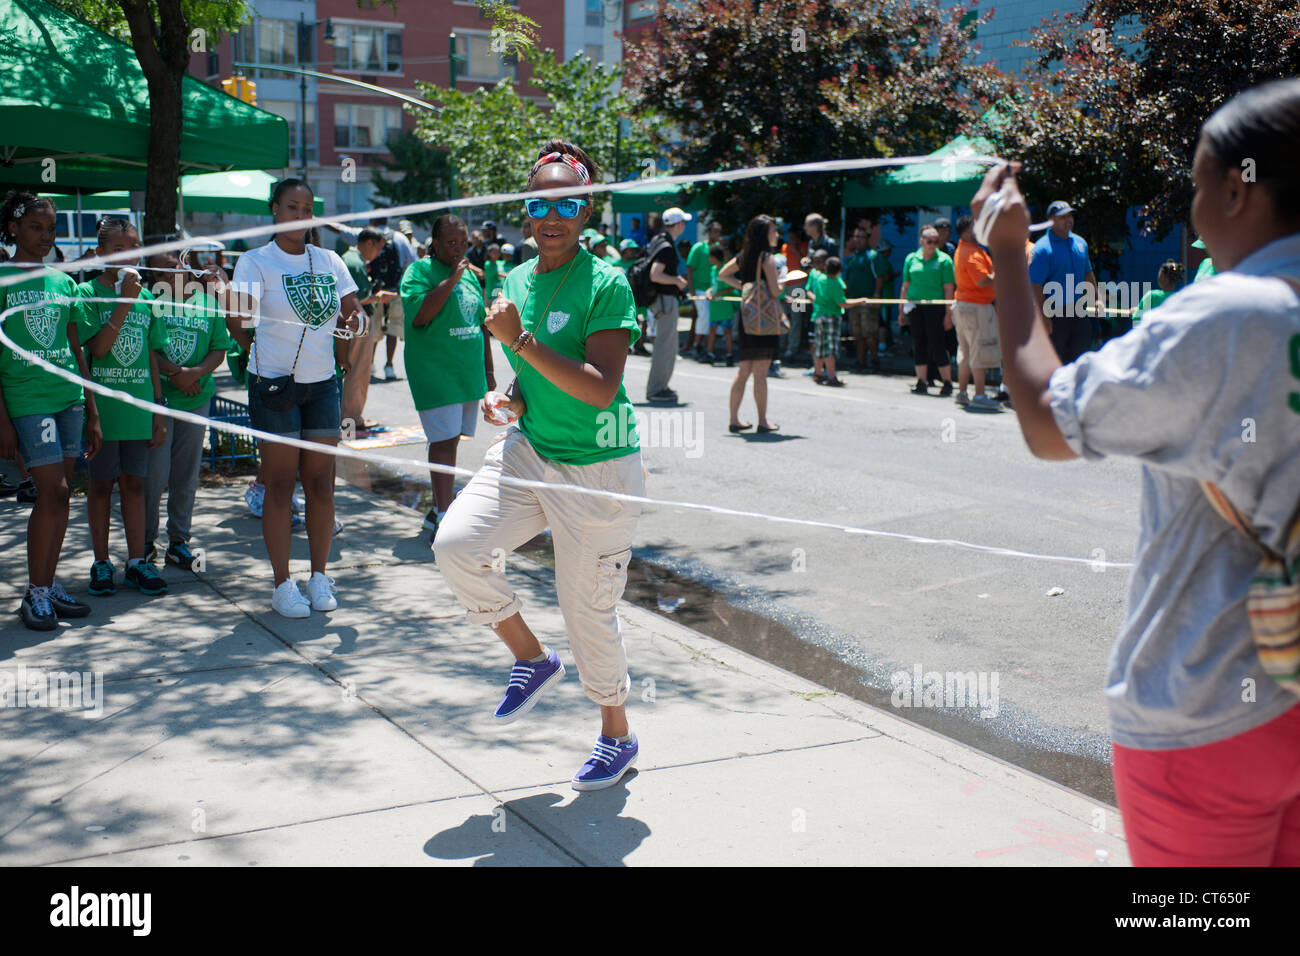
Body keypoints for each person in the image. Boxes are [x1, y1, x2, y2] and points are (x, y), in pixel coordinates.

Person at [972, 78, 1300, 866]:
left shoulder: (1233, 315)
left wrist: (1009, 260)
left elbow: (1050, 420)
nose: (1191, 207)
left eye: (1195, 184)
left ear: (1236, 188)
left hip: (1211, 706)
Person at [434, 140, 646, 791]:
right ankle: (531, 658)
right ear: (525, 211)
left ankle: (617, 733)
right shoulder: (516, 280)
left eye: (566, 204)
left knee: (587, 612)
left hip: (599, 469)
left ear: (585, 211)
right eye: (539, 204)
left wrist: (520, 340)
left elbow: (600, 388)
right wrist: (509, 398)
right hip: (530, 450)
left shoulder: (605, 281)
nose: (551, 216)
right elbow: (527, 380)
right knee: (456, 544)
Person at [227, 178, 362, 619]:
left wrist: (354, 322)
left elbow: (351, 310)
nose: (301, 216)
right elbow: (238, 322)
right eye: (292, 207)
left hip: (322, 383)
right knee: (281, 486)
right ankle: (282, 583)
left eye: (307, 209)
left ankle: (320, 577)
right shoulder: (254, 261)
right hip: (274, 386)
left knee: (321, 484)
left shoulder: (329, 260)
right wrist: (256, 353)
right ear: (274, 210)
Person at [0, 191, 96, 628]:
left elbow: (77, 350)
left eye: (51, 228)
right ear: (13, 227)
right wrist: (2, 420)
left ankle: (48, 582)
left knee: (62, 494)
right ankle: (35, 592)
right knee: (52, 491)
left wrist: (91, 408)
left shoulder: (63, 281)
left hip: (68, 401)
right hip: (26, 400)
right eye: (35, 227)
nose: (45, 236)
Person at [73, 217, 169, 598]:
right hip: (103, 412)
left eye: (135, 248)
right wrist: (124, 303)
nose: (129, 256)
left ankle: (136, 561)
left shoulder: (148, 299)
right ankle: (101, 562)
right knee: (100, 486)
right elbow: (95, 350)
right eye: (119, 250)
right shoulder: (86, 294)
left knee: (134, 484)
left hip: (138, 407)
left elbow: (149, 355)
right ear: (100, 254)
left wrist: (159, 408)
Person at [399, 214, 495, 541]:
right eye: (450, 242)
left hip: (466, 373)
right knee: (441, 442)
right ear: (435, 244)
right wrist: (451, 280)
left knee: (452, 439)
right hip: (435, 372)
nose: (458, 248)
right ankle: (444, 514)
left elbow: (481, 324)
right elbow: (420, 315)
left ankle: (437, 507)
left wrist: (490, 374)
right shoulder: (420, 272)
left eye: (463, 242)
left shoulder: (470, 276)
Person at [143, 248, 232, 569]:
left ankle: (179, 540)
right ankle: (145, 542)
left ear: (185, 267)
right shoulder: (150, 301)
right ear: (152, 276)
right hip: (161, 402)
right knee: (154, 476)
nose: (170, 275)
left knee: (186, 476)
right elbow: (149, 349)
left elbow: (219, 348)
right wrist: (175, 375)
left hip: (197, 398)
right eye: (161, 272)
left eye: (174, 267)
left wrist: (194, 375)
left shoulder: (208, 301)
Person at [719, 215, 782, 433]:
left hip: (747, 319)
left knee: (743, 371)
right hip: (764, 322)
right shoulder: (768, 258)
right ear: (765, 234)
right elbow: (774, 291)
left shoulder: (744, 255)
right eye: (774, 231)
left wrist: (744, 287)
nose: (777, 235)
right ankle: (763, 421)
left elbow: (722, 274)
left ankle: (734, 419)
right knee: (760, 374)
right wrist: (783, 286)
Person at [1029, 200, 1100, 364]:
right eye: (1063, 217)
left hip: (1078, 311)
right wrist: (1044, 317)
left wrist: (1097, 299)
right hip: (1054, 313)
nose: (1068, 220)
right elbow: (1035, 286)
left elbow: (1088, 274)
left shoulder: (1080, 243)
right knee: (1053, 361)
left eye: (1070, 216)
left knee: (1079, 360)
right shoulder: (1041, 249)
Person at [340, 228, 395, 430]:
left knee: (352, 371)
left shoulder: (349, 258)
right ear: (369, 243)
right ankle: (352, 419)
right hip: (358, 321)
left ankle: (349, 418)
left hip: (352, 321)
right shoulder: (354, 262)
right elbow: (356, 298)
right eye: (378, 248)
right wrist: (379, 297)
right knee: (357, 372)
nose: (379, 254)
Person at [951, 215, 1001, 410]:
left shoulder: (965, 249)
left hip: (965, 305)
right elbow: (982, 280)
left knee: (966, 350)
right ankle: (979, 395)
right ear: (968, 231)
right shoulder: (971, 253)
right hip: (976, 307)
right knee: (980, 348)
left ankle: (963, 392)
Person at [899, 225, 955, 396]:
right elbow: (905, 286)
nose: (932, 245)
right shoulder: (911, 258)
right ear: (922, 241)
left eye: (936, 242)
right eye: (929, 241)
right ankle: (921, 381)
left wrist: (948, 314)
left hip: (935, 307)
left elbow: (948, 289)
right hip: (915, 307)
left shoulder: (944, 260)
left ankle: (947, 382)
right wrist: (901, 311)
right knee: (919, 343)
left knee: (937, 343)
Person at [646, 206, 691, 404]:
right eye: (684, 222)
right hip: (665, 301)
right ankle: (656, 388)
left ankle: (660, 385)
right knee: (665, 346)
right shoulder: (666, 247)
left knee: (666, 345)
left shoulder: (659, 241)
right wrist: (676, 281)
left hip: (660, 301)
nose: (685, 226)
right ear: (679, 224)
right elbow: (655, 275)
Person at [843, 221, 883, 373]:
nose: (857, 240)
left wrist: (876, 296)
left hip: (868, 301)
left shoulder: (873, 256)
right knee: (857, 334)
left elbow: (879, 277)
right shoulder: (852, 258)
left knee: (870, 333)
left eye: (861, 237)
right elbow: (846, 280)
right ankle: (861, 361)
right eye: (855, 237)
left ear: (867, 239)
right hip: (853, 302)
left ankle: (874, 360)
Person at [684, 220, 720, 361]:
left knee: (712, 319)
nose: (717, 234)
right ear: (709, 232)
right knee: (703, 318)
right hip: (699, 289)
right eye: (715, 231)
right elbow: (690, 268)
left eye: (719, 232)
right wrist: (692, 289)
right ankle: (697, 346)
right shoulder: (699, 247)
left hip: (714, 290)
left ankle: (707, 348)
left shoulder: (719, 248)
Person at [703, 243, 736, 365]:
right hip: (714, 307)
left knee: (727, 331)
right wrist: (708, 292)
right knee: (712, 330)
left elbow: (732, 287)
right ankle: (710, 353)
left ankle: (729, 354)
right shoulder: (713, 270)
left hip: (724, 307)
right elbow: (712, 287)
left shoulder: (725, 269)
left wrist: (719, 294)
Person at [1131, 259, 1184, 327]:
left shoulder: (1152, 296)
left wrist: (1136, 312)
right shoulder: (1180, 298)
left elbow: (1137, 320)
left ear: (1164, 278)